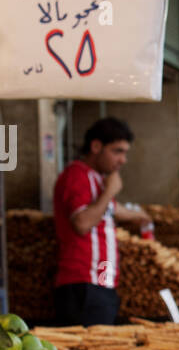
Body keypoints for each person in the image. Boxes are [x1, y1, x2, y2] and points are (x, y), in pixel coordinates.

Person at [53, 118, 152, 326]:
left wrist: (141, 216)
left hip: (100, 283)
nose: (123, 160)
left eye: (125, 153)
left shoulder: (98, 179)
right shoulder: (76, 175)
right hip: (82, 284)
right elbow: (82, 223)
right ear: (96, 146)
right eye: (117, 151)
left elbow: (114, 210)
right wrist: (109, 192)